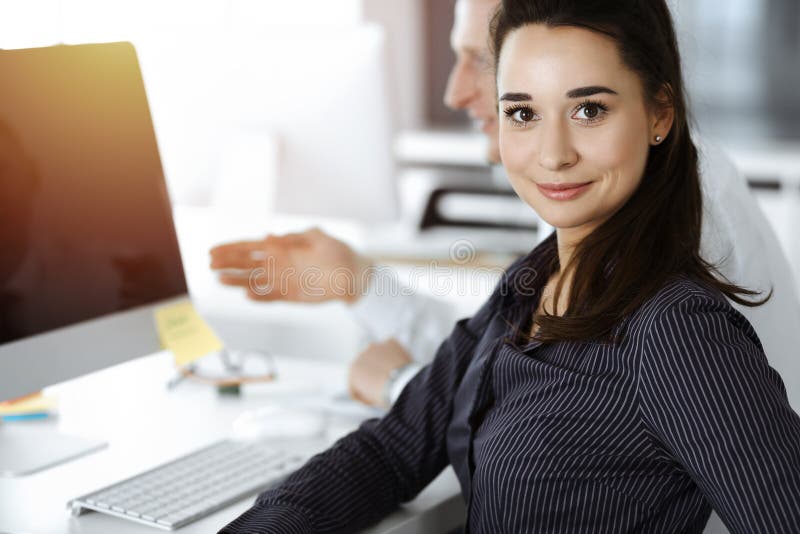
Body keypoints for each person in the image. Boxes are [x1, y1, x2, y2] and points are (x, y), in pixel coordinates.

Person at [219, 0, 800, 531]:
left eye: (589, 110)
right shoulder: (531, 283)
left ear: (659, 114)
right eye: (522, 114)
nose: (553, 154)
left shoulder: (675, 329)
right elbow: (390, 449)